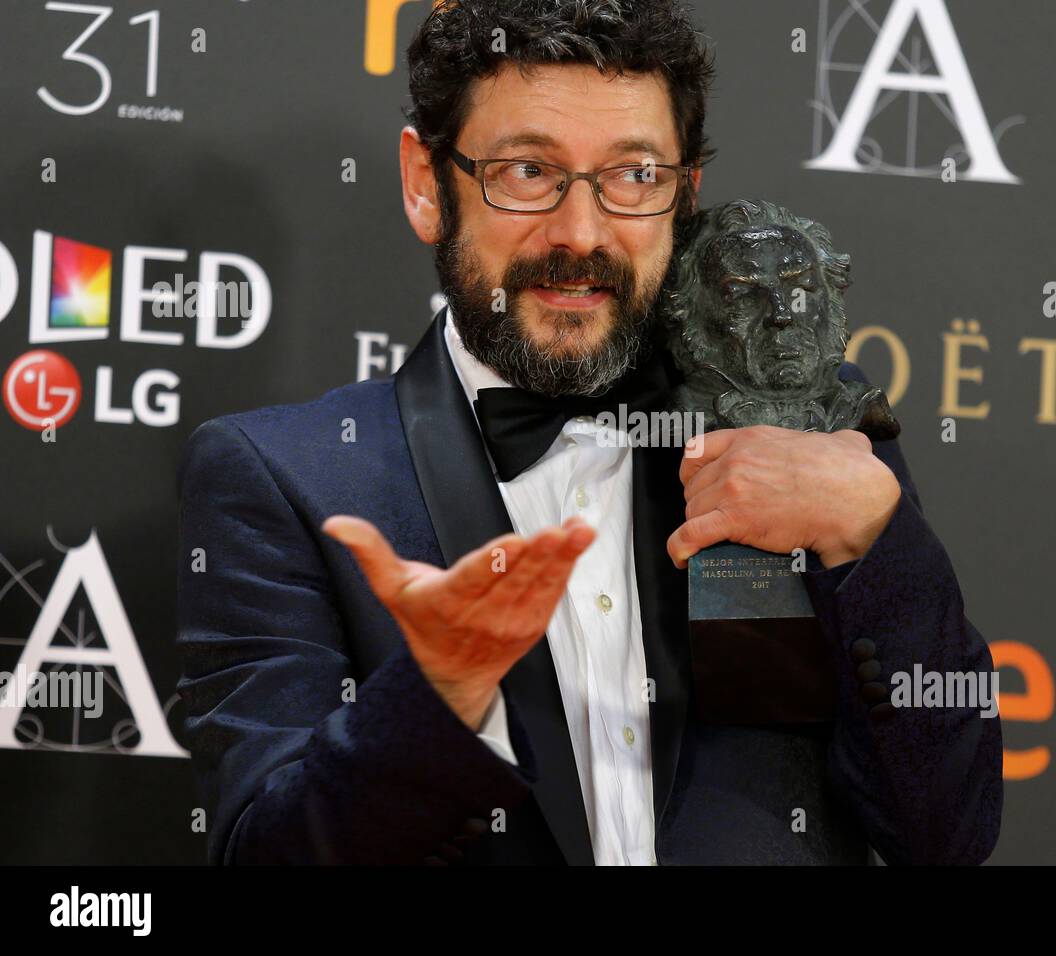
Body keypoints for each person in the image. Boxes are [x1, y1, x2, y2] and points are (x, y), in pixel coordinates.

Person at [175, 0, 1002, 866]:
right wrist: (439, 696)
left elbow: (947, 834)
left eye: (634, 176)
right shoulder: (285, 480)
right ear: (426, 184)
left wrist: (879, 544)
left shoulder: (804, 422)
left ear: (686, 196)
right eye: (527, 171)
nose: (580, 233)